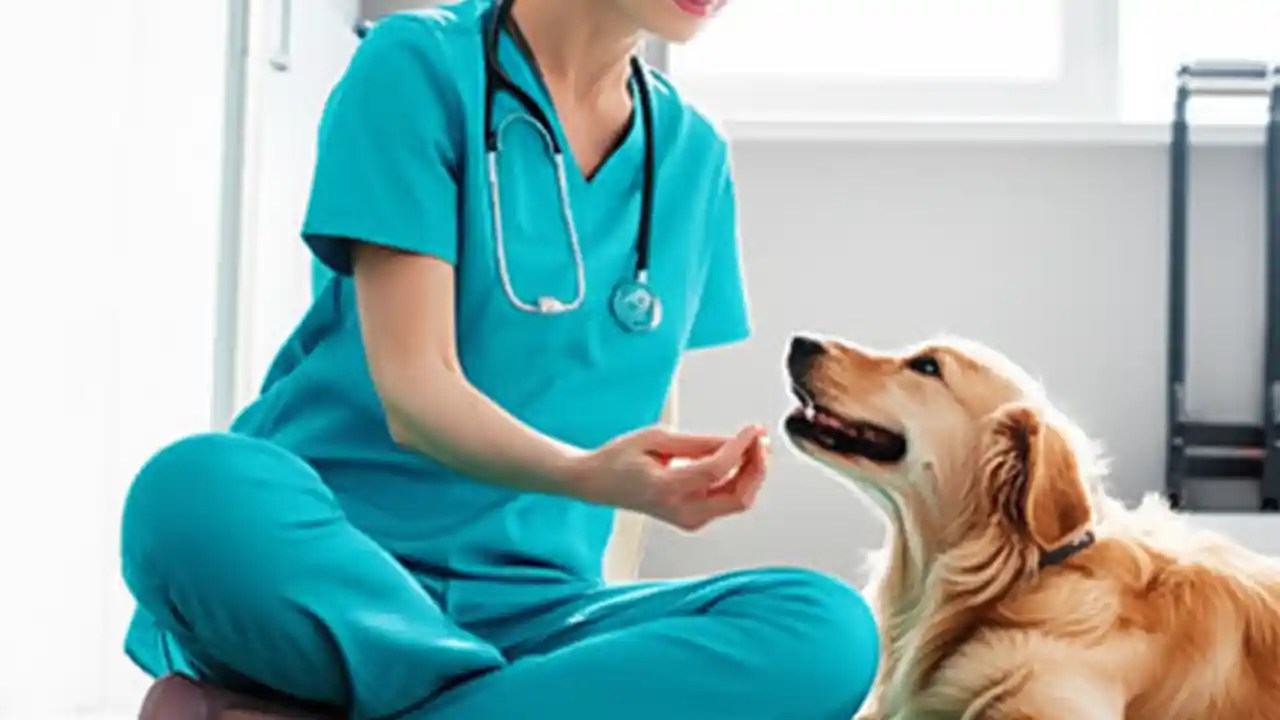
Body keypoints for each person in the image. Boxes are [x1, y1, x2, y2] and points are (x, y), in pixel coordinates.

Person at [120, 0, 881, 717]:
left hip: (538, 609)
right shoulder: (417, 65)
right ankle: (491, 700)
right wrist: (586, 478)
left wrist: (660, 494)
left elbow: (643, 400)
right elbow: (417, 394)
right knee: (189, 492)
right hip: (324, 568)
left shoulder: (692, 156)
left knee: (827, 630)